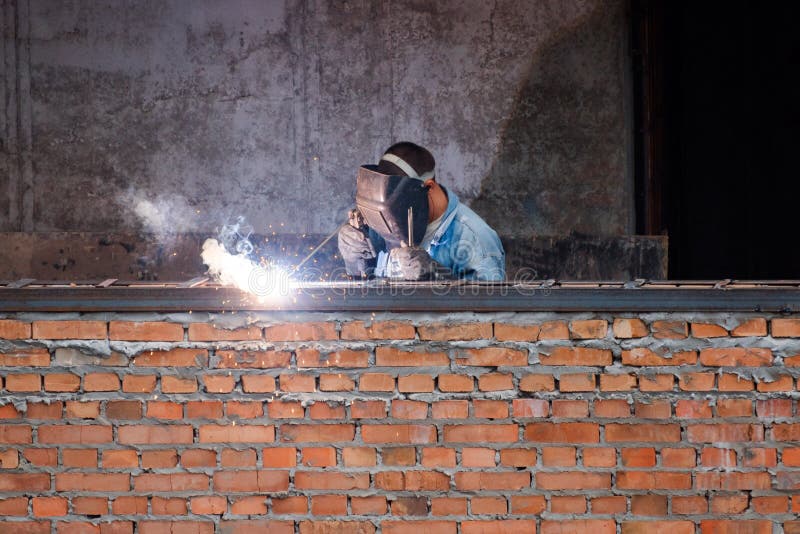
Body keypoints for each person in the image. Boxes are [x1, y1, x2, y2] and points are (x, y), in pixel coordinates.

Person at [338, 142, 505, 281]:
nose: (391, 223)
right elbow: (366, 294)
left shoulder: (475, 241)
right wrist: (357, 261)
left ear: (428, 188)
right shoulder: (381, 222)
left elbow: (487, 315)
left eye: (399, 210)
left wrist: (435, 277)